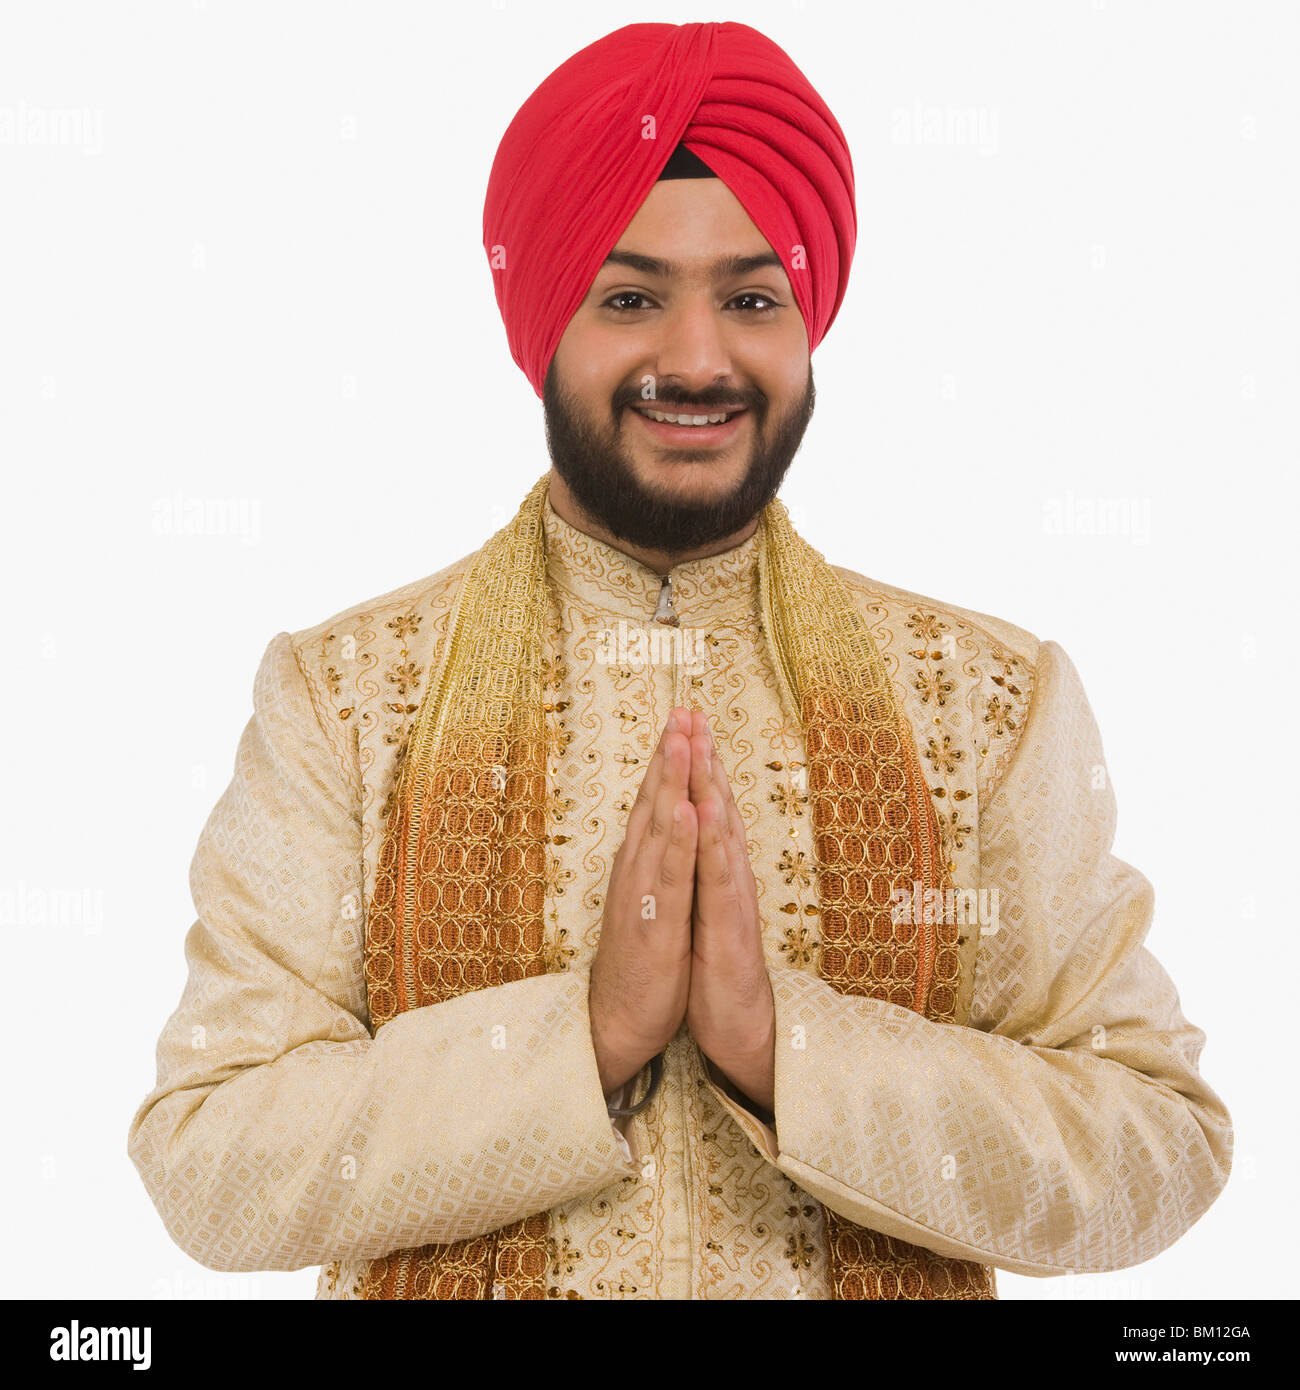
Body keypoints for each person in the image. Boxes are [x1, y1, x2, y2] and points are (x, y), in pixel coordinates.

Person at [127, 20, 1232, 1300]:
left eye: (753, 299)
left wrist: (786, 1050)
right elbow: (207, 1163)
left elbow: (1160, 1142)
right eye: (632, 296)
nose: (698, 360)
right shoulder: (348, 695)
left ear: (807, 324)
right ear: (542, 318)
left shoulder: (984, 698)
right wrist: (582, 1040)